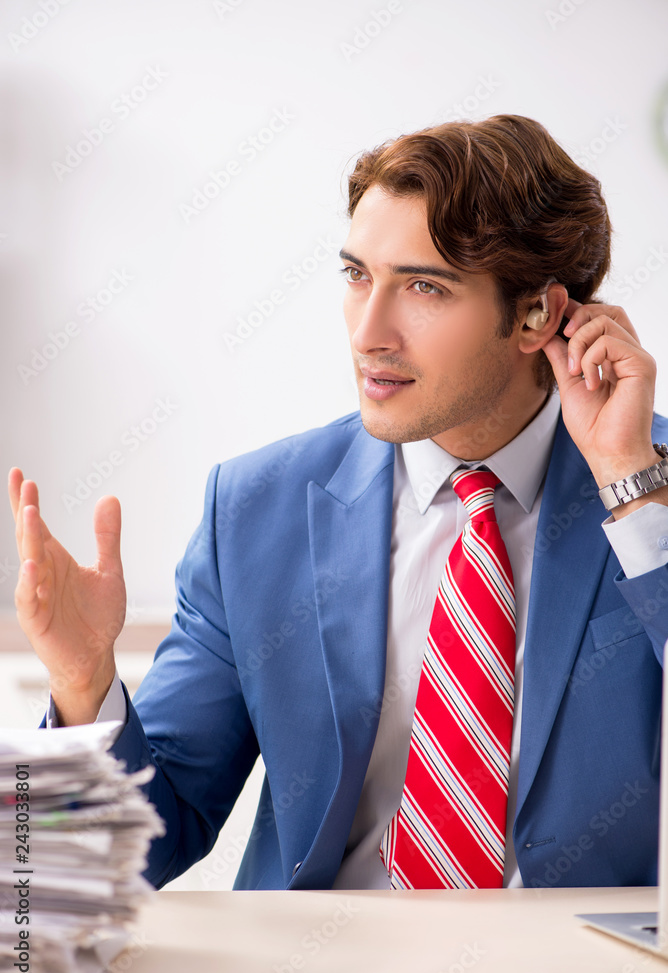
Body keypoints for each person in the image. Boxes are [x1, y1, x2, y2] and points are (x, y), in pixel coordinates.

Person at [8, 115, 668, 891]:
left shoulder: (646, 486)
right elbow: (136, 850)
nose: (368, 332)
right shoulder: (256, 510)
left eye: (424, 287)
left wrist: (631, 486)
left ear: (537, 315)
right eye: (357, 275)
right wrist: (83, 686)